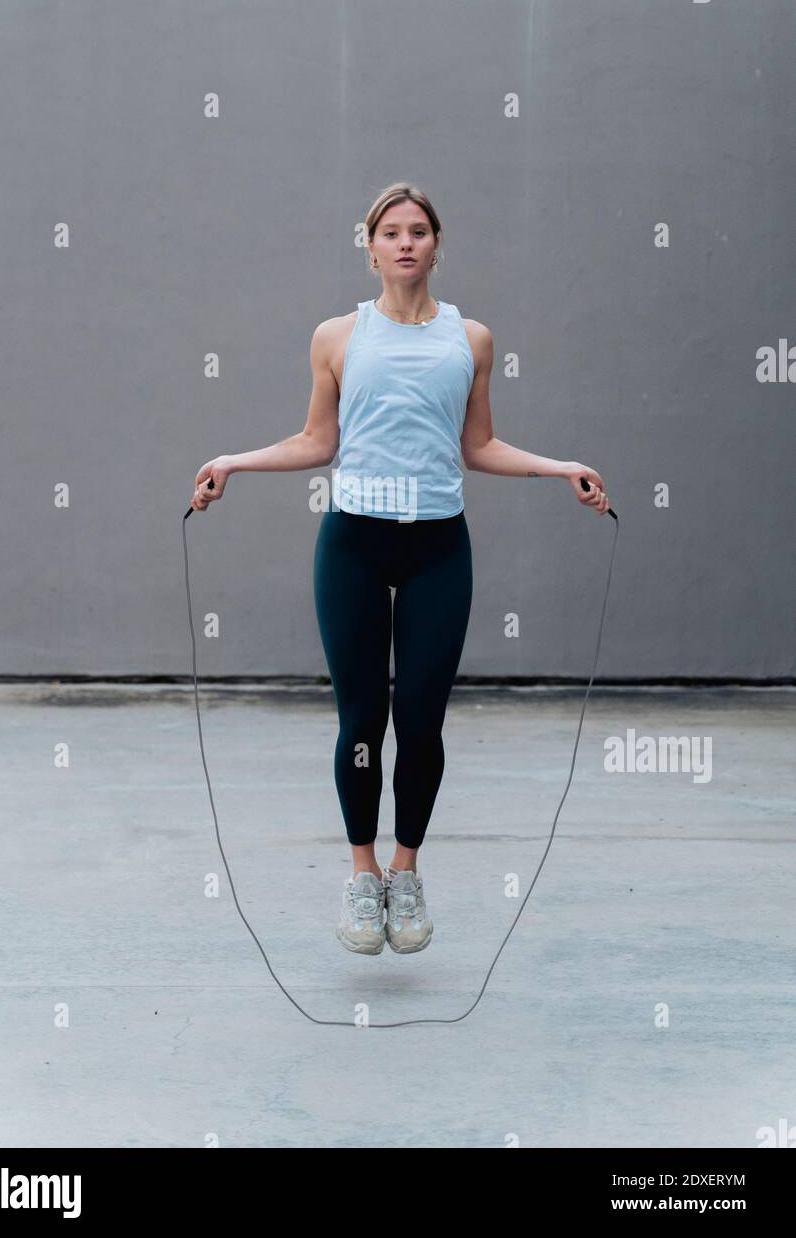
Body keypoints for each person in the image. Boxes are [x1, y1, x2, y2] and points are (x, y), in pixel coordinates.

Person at [190, 182, 610, 957]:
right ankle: (360, 874)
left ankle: (406, 873)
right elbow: (318, 441)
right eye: (392, 231)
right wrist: (233, 462)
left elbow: (478, 447)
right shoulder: (336, 337)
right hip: (353, 543)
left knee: (420, 720)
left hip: (437, 550)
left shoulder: (471, 340)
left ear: (437, 245)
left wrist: (561, 468)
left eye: (419, 230)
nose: (406, 242)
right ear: (372, 246)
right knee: (362, 723)